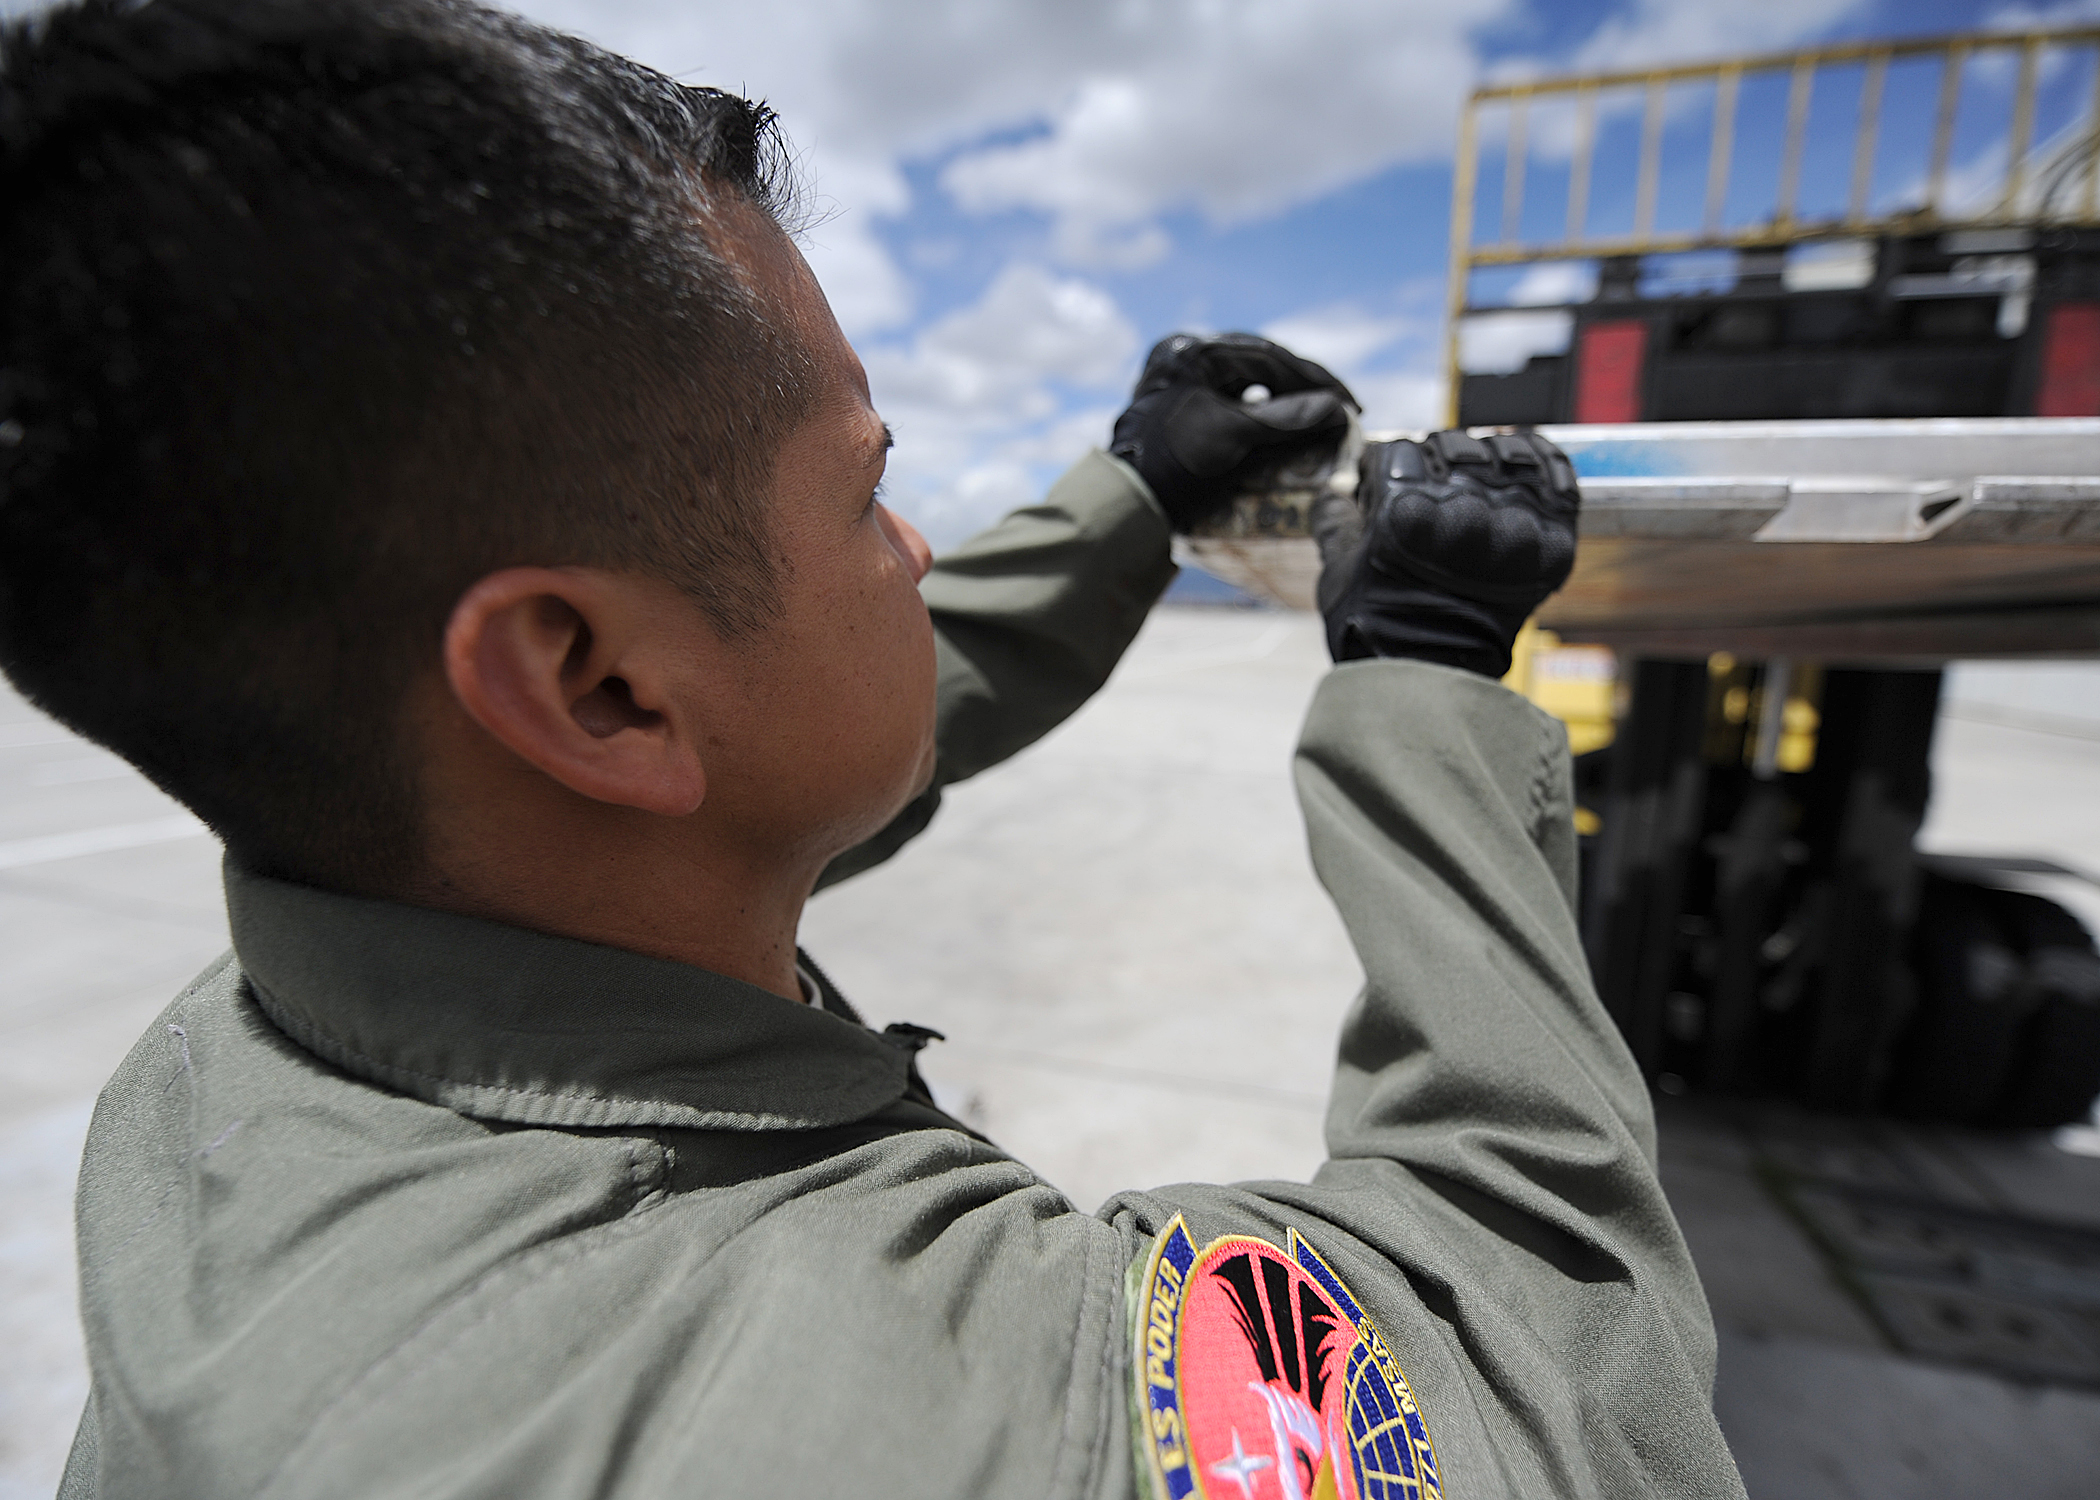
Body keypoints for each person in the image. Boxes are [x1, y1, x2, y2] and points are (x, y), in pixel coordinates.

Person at [0, 2, 1745, 1497]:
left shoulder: (218, 1087)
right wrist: (1427, 687)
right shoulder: (969, 1410)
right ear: (592, 684)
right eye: (864, 493)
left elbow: (750, 750)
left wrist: (1127, 500)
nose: (913, 550)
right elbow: (1551, 1346)